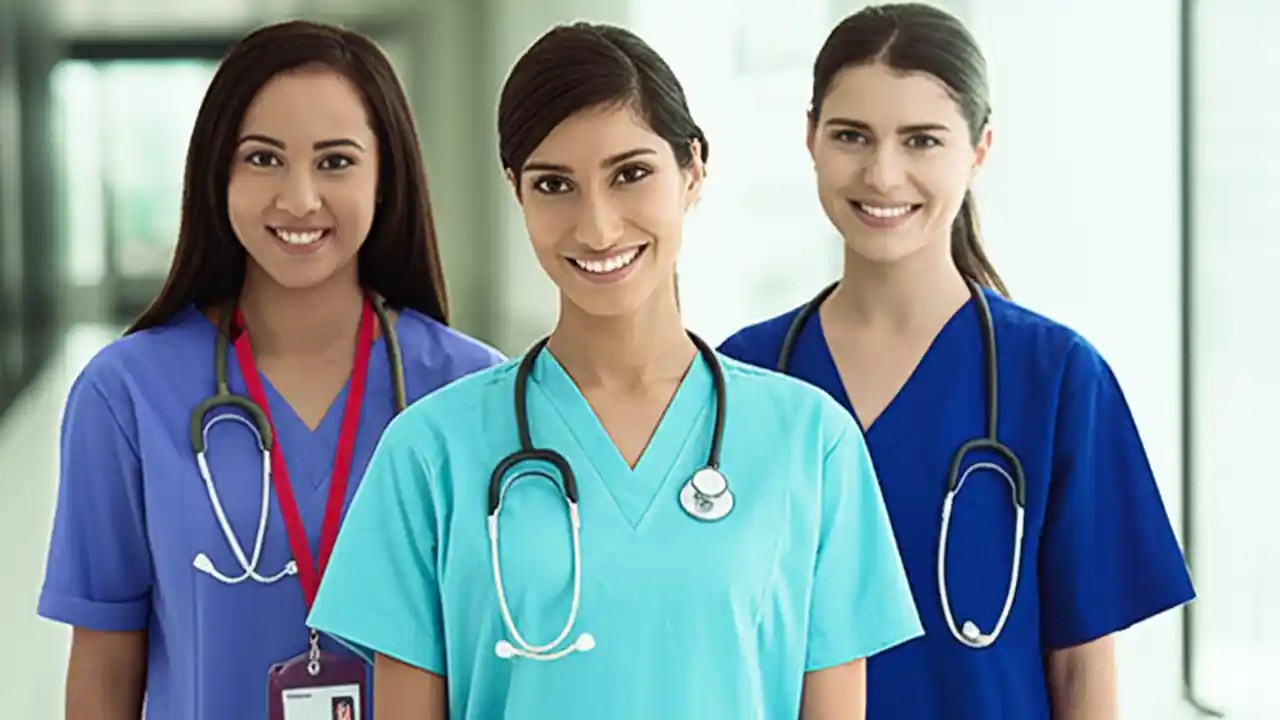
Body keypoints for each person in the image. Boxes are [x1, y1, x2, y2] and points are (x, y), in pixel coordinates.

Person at [305, 21, 923, 720]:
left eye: (630, 174)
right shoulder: (430, 452)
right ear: (517, 191)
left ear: (693, 170)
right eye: (554, 184)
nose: (596, 227)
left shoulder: (811, 443)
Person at [717, 4, 1197, 719]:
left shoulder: (1059, 379)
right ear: (811, 137)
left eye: (922, 140)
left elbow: (1081, 667)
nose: (883, 173)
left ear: (979, 150)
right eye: (853, 135)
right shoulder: (743, 377)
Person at [36, 20, 503, 720]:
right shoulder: (125, 394)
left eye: (336, 161)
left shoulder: (471, 390)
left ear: (386, 177)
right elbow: (104, 668)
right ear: (216, 172)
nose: (300, 199)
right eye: (263, 159)